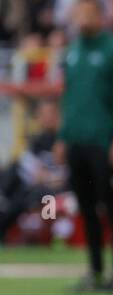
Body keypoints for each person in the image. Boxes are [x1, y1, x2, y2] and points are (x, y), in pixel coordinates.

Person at [56, 0, 113, 293]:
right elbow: (69, 98)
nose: (84, 18)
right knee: (87, 209)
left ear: (101, 16)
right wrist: (63, 137)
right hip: (77, 142)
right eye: (80, 12)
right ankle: (94, 269)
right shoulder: (73, 52)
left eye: (90, 12)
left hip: (103, 143)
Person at [0, 100, 65, 241]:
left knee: (33, 195)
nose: (47, 118)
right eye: (43, 114)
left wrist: (47, 177)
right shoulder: (38, 140)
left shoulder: (66, 140)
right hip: (36, 185)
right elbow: (27, 165)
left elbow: (68, 173)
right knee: (11, 174)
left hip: (57, 189)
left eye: (51, 114)